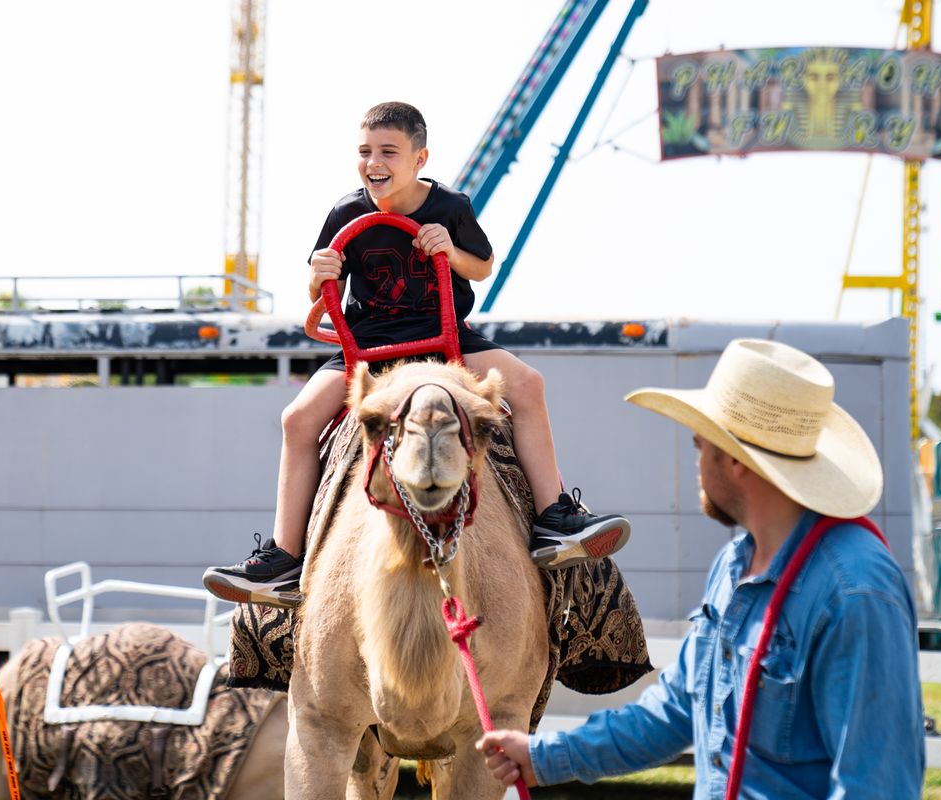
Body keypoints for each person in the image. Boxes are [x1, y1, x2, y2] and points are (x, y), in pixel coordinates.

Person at [202, 102, 630, 607]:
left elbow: (483, 266)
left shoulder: (449, 206)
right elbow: (321, 292)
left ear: (419, 158)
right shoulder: (346, 213)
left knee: (528, 384)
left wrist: (449, 249)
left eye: (388, 151)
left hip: (443, 336)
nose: (373, 163)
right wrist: (318, 276)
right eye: (365, 151)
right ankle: (284, 556)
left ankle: (553, 516)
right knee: (296, 419)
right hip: (368, 344)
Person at [477, 339, 925, 798]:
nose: (696, 464)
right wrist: (544, 757)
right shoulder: (735, 566)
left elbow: (877, 787)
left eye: (701, 445)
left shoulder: (856, 592)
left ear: (734, 460)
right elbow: (677, 709)